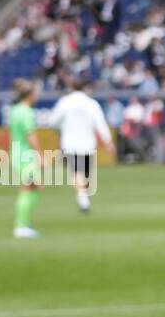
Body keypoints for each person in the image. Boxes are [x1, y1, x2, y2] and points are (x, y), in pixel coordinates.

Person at [49, 76, 113, 213]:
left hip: (70, 143)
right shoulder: (92, 103)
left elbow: (52, 121)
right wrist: (108, 142)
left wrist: (59, 129)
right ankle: (83, 200)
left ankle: (83, 195)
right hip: (87, 143)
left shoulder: (65, 102)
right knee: (81, 172)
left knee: (78, 172)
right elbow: (101, 124)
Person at [10, 80, 43, 239]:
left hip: (17, 154)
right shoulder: (26, 112)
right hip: (26, 156)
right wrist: (40, 155)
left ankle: (24, 221)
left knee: (35, 187)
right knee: (28, 188)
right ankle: (21, 226)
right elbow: (31, 136)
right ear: (29, 95)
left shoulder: (15, 110)